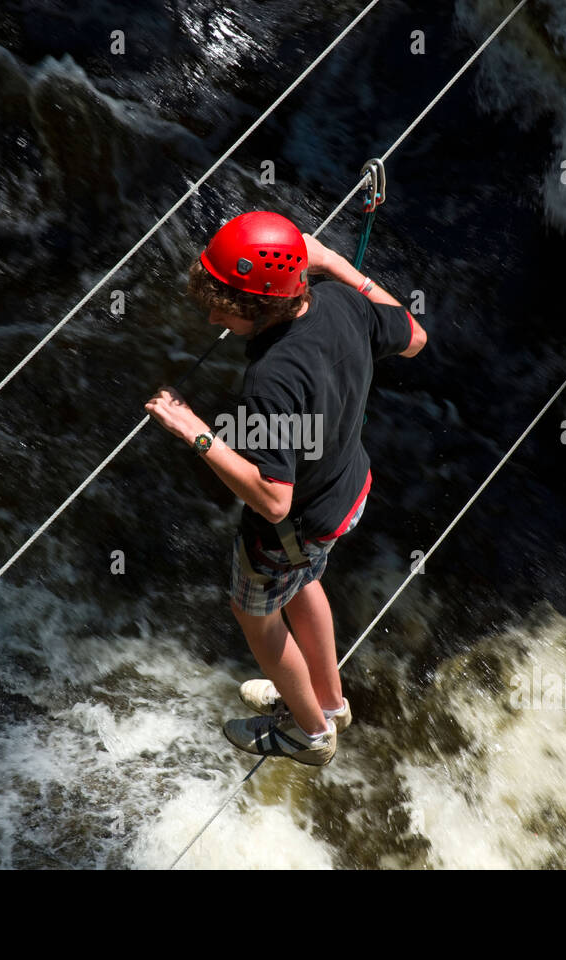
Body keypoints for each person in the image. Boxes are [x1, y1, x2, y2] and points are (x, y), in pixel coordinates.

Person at [145, 210, 427, 765]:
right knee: (304, 582)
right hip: (346, 493)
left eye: (221, 303)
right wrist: (334, 263)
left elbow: (274, 498)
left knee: (256, 615)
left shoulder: (271, 377)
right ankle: (330, 702)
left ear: (260, 305)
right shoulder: (343, 301)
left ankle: (309, 734)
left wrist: (196, 433)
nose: (209, 316)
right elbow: (414, 335)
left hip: (290, 529)